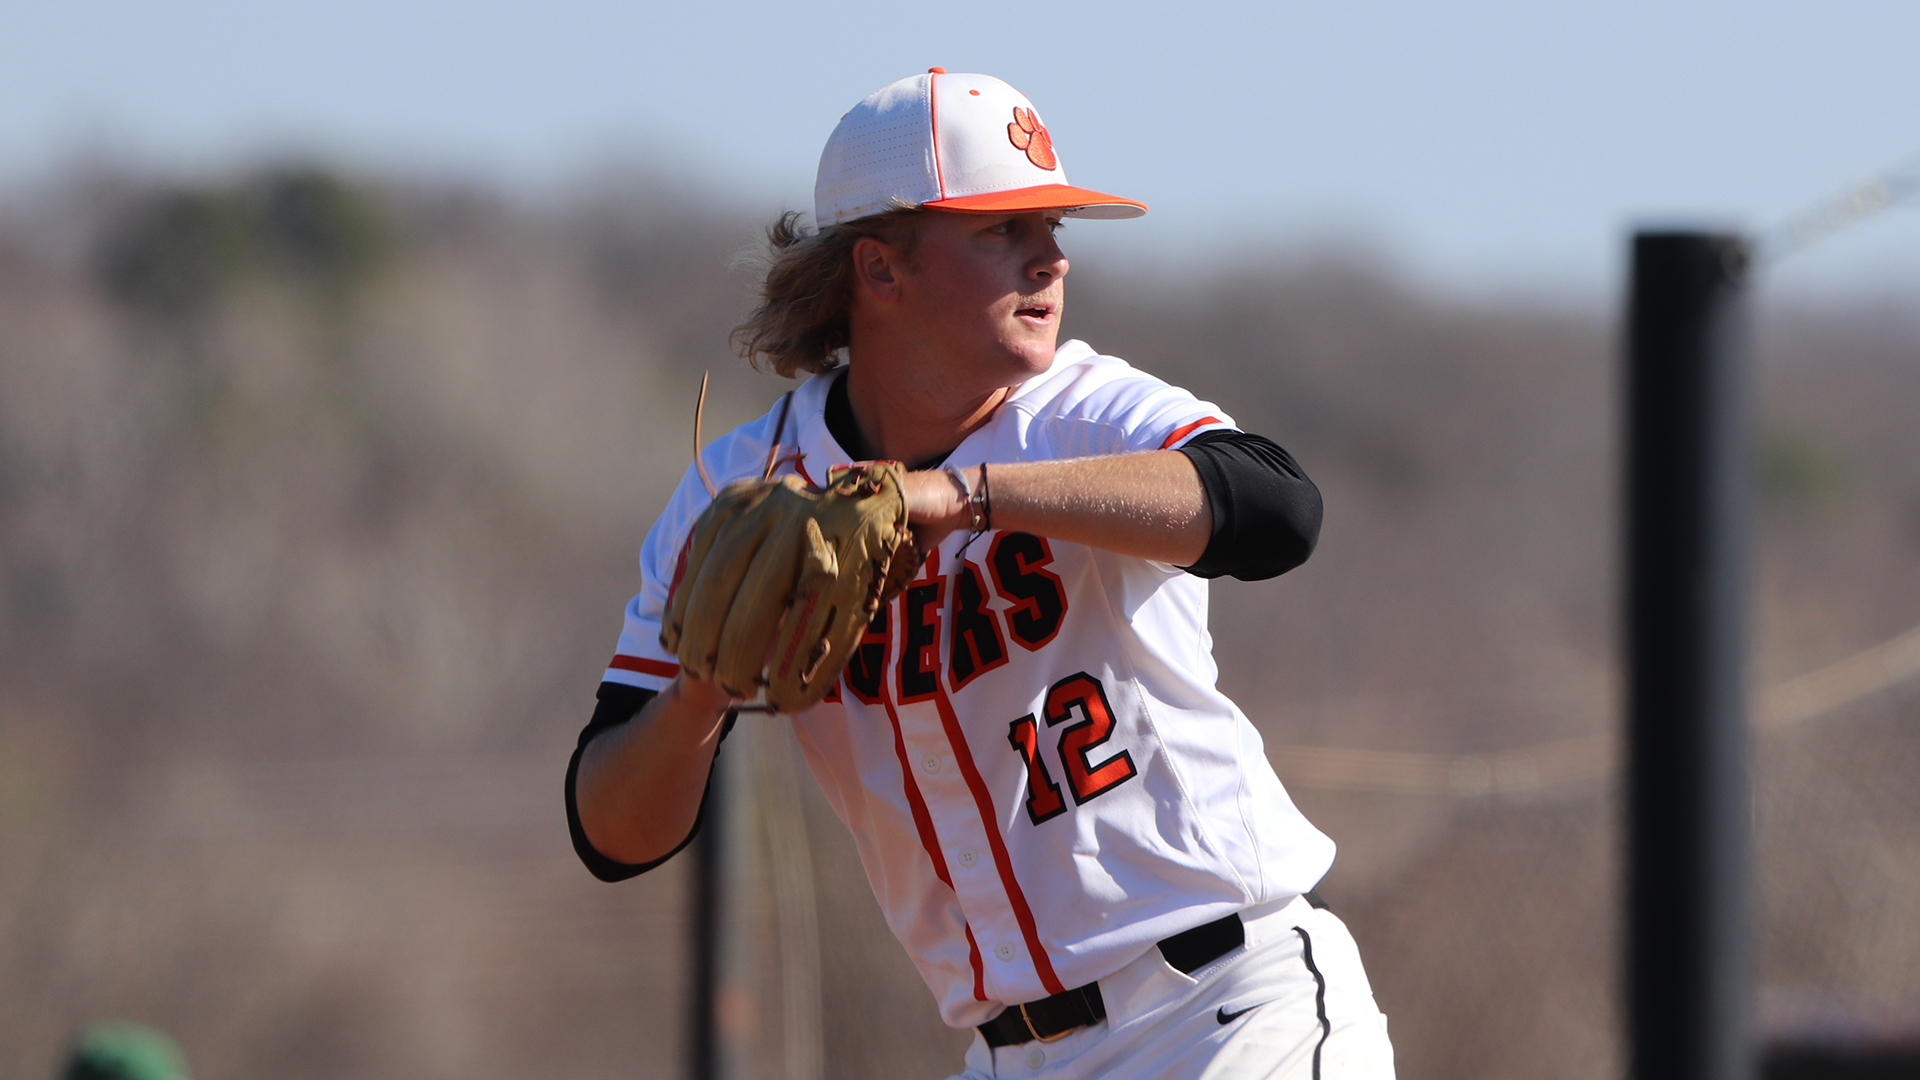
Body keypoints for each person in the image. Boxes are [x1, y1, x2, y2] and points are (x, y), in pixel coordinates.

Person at [567, 69, 1396, 1079]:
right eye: (1002, 228)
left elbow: (1276, 508)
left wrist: (967, 497)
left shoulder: (1085, 414)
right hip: (1009, 1056)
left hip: (1224, 1009)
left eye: (1050, 222)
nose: (1052, 254)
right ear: (880, 269)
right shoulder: (738, 496)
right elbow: (610, 831)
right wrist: (702, 691)